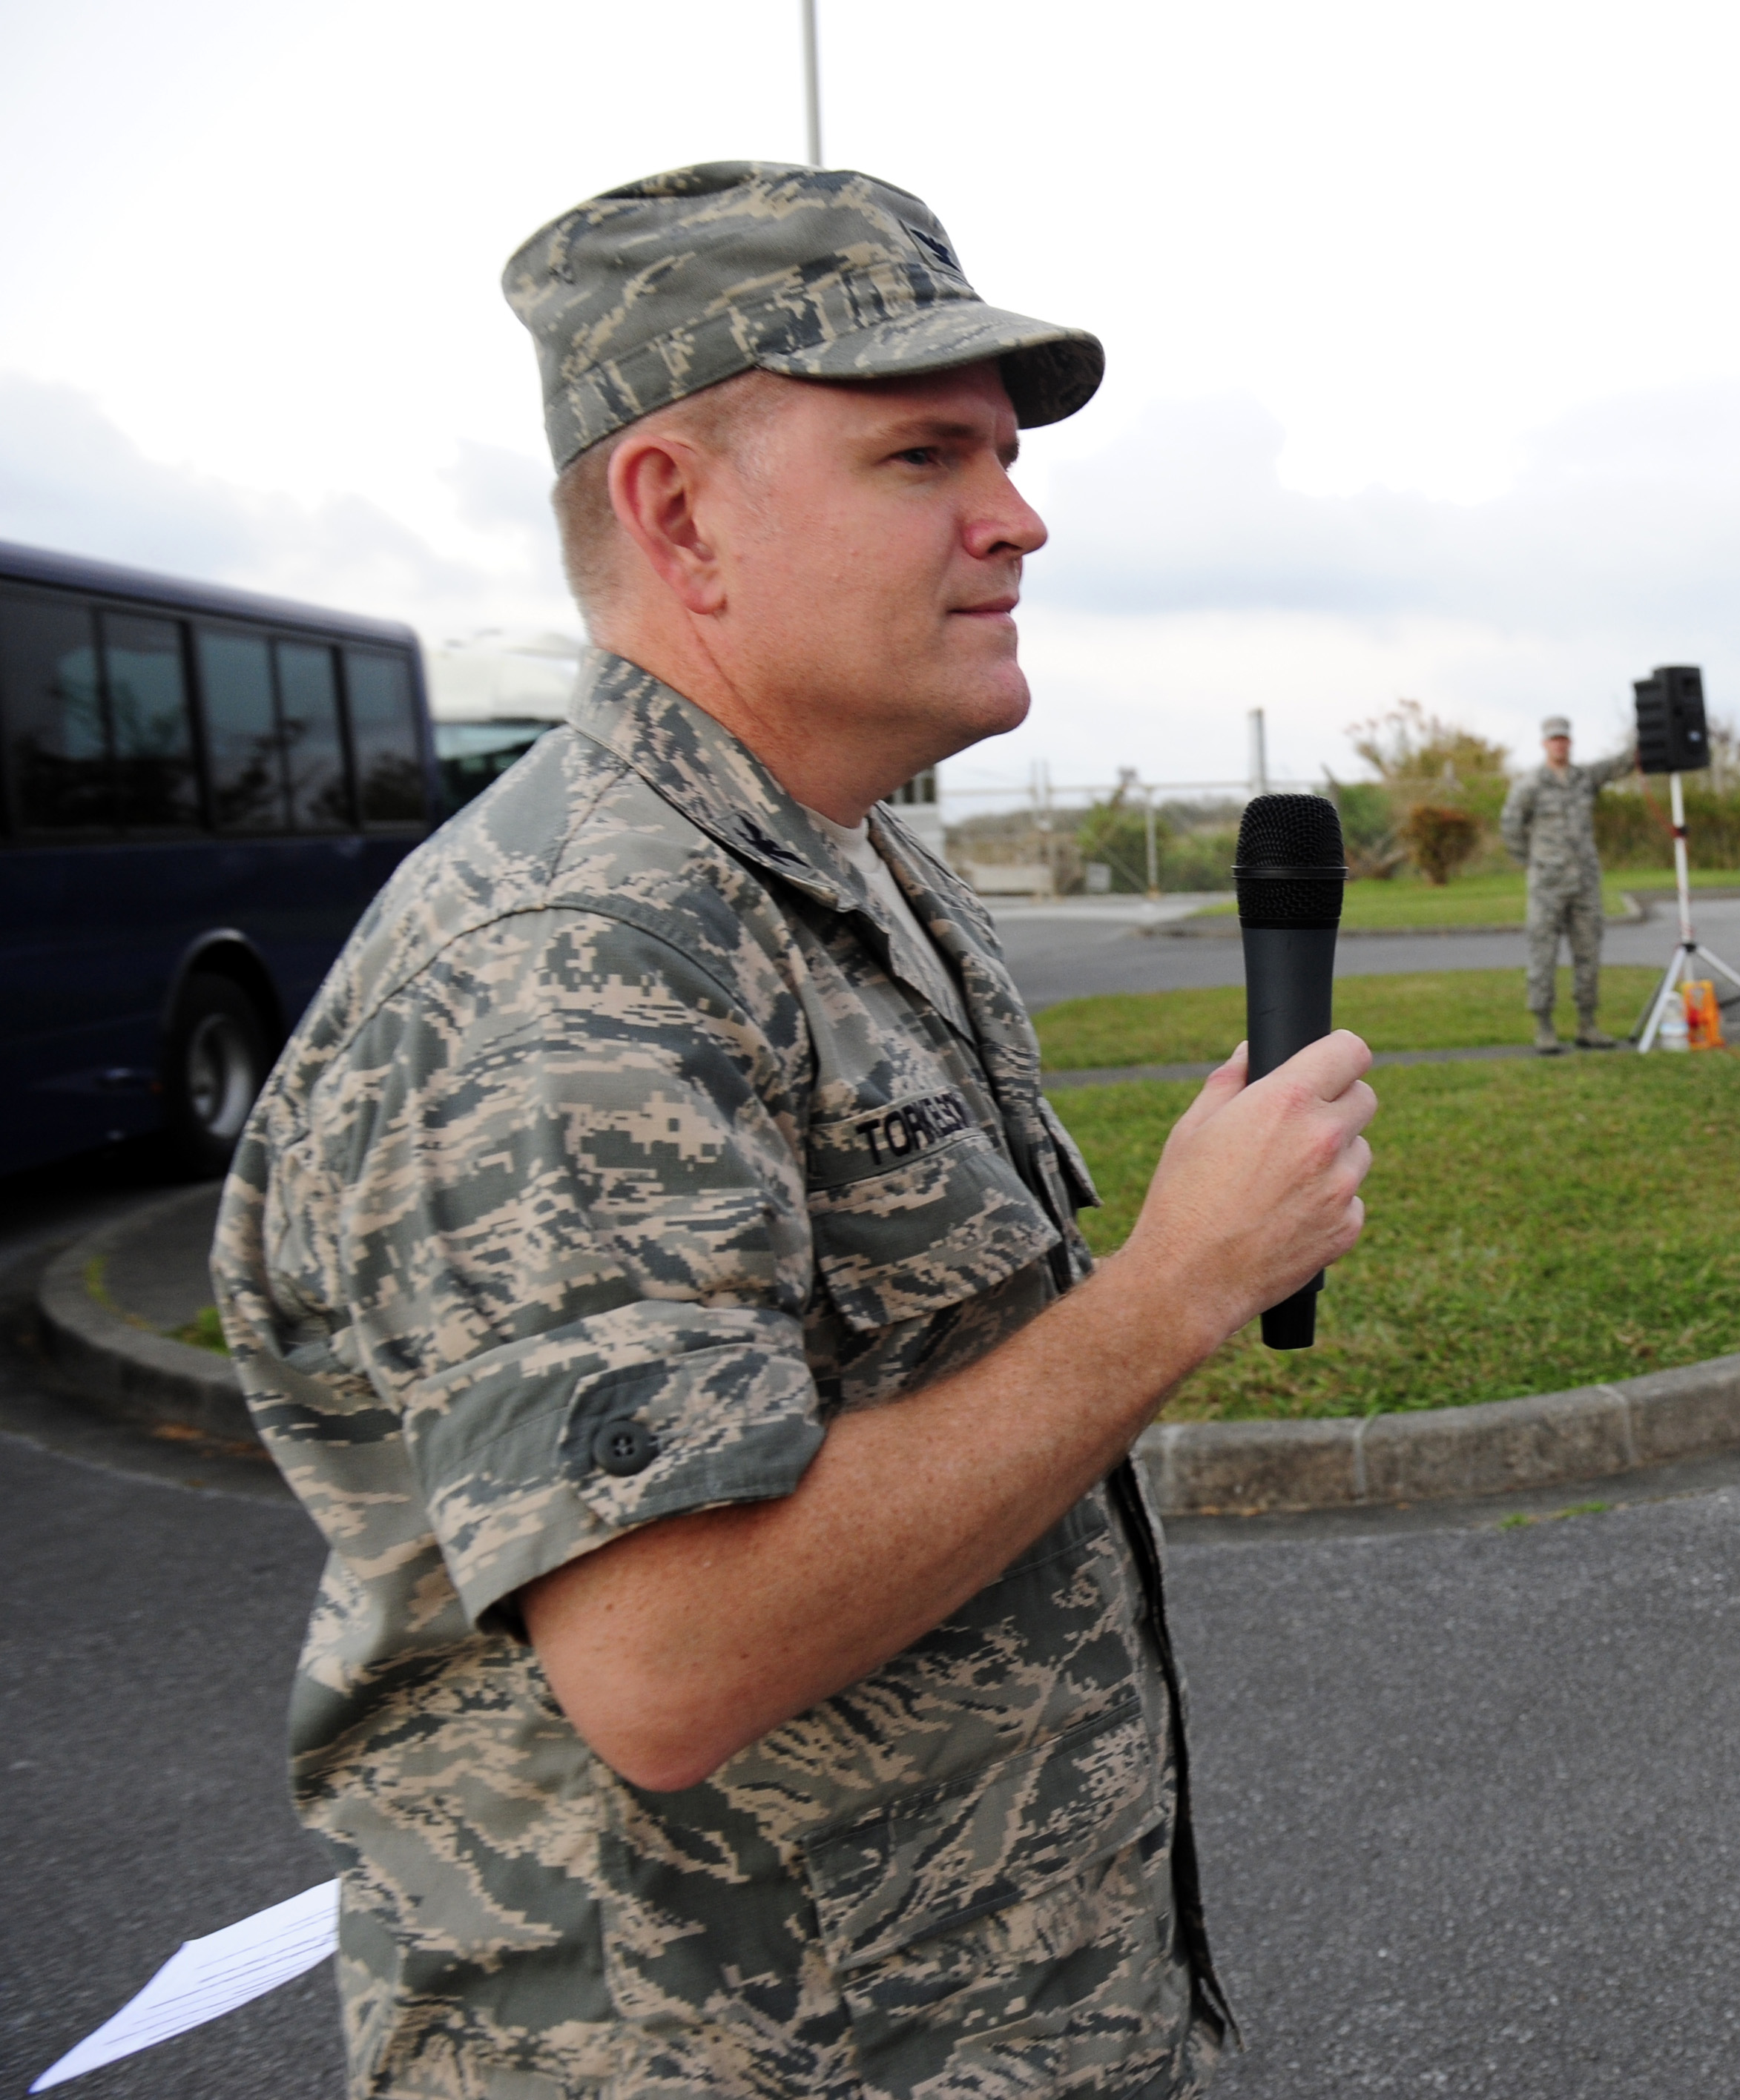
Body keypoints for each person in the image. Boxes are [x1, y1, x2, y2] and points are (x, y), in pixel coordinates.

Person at [209, 162, 1376, 2098]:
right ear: (677, 512)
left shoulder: (847, 873)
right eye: (926, 457)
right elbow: (668, 1665)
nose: (1019, 518)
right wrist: (1176, 1288)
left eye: (999, 456)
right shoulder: (572, 961)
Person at [1500, 713, 1636, 1052]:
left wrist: (1642, 729)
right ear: (1545, 743)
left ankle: (1588, 1025)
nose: (1559, 744)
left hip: (1585, 884)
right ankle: (1544, 1027)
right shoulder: (1531, 784)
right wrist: (1533, 862)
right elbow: (1510, 825)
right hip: (1548, 886)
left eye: (1564, 738)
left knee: (1589, 953)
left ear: (1570, 742)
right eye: (1554, 739)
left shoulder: (1584, 779)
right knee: (1543, 955)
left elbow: (1622, 763)